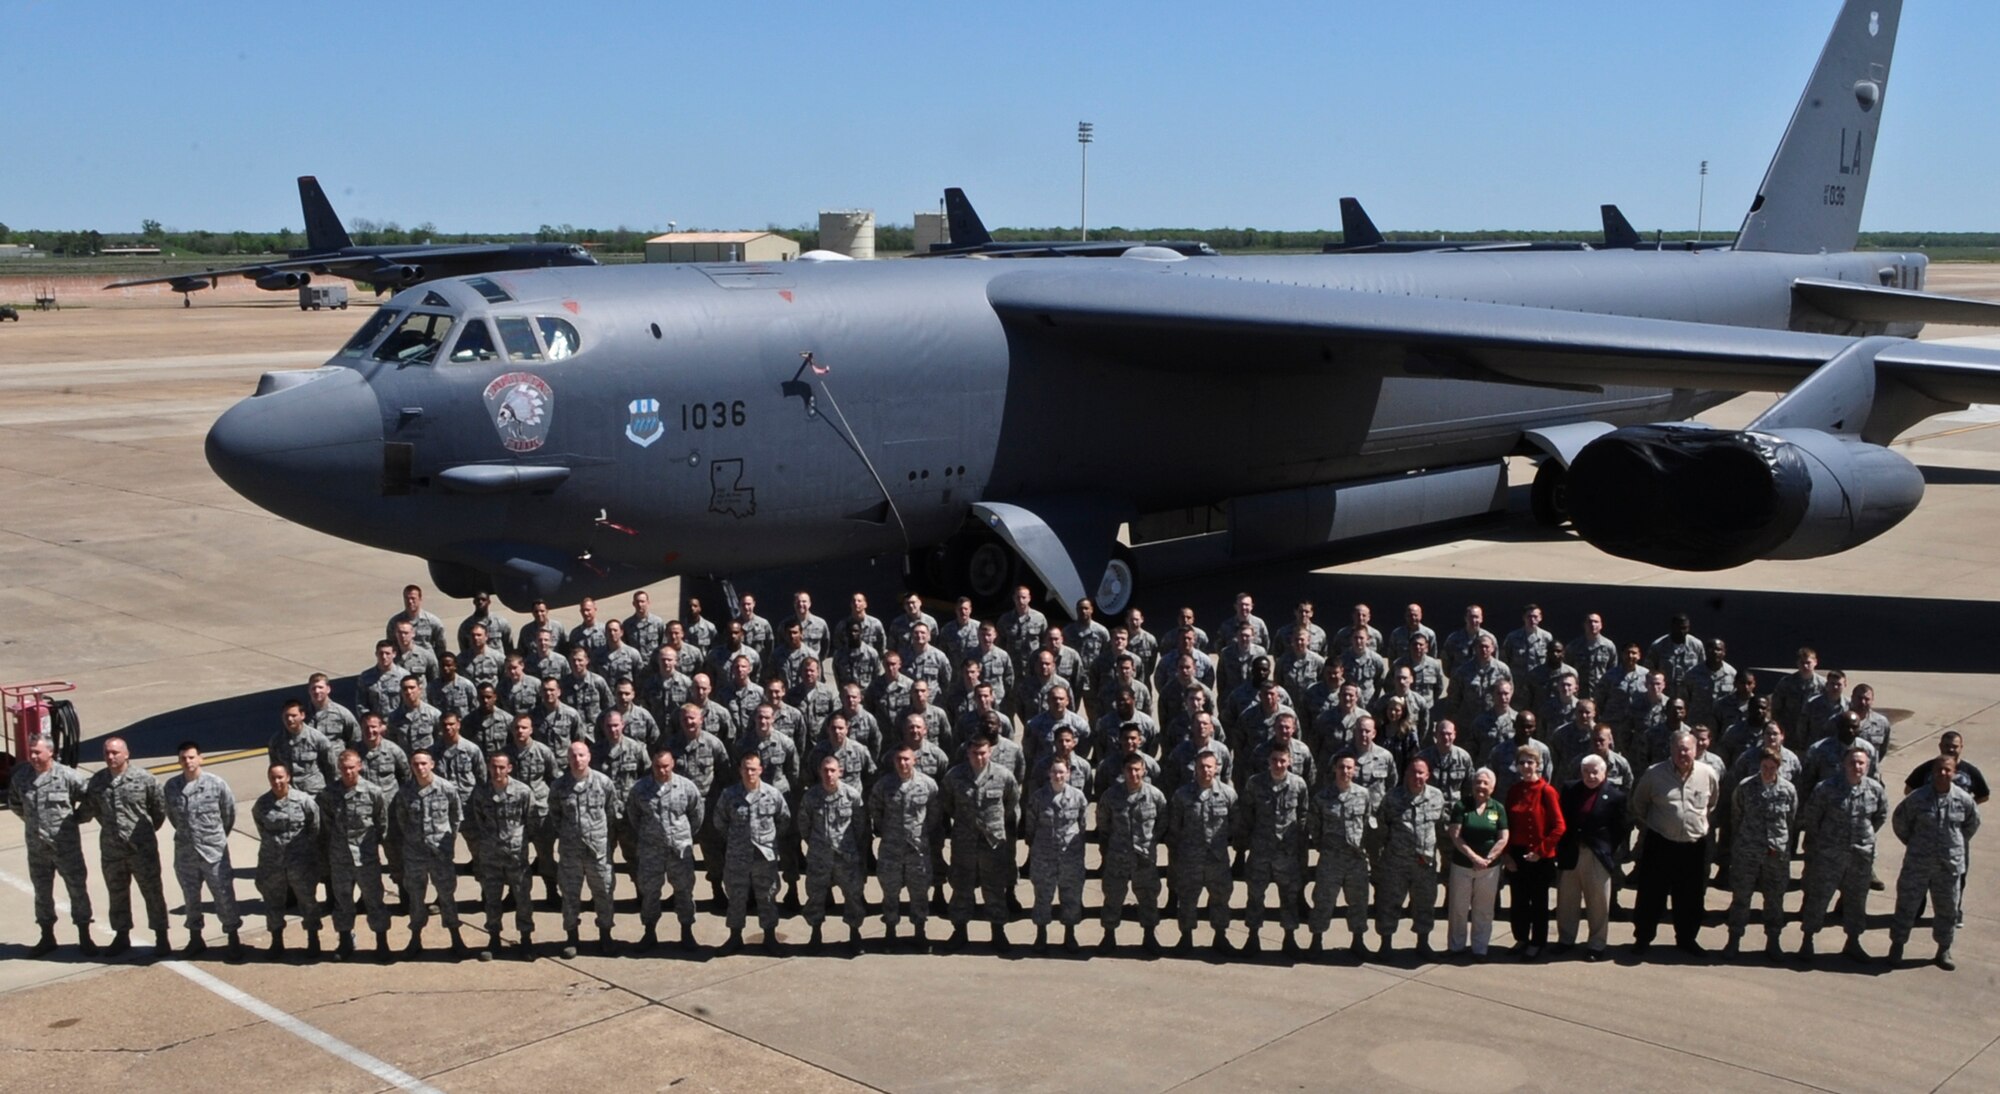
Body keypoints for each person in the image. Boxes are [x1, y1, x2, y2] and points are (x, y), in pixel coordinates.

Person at [1627, 730, 1719, 955]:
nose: (1682, 753)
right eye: (1678, 749)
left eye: (1687, 749)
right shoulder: (1654, 774)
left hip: (1693, 846)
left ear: (1696, 750)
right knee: (1651, 894)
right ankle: (1643, 938)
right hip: (1661, 843)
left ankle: (1687, 939)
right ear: (1670, 750)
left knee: (1690, 896)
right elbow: (1639, 804)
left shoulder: (1708, 774)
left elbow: (1712, 802)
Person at [1890, 756, 1981, 970]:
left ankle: (1943, 949)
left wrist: (1953, 844)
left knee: (1947, 908)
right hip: (1918, 863)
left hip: (1948, 866)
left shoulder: (1964, 799)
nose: (1943, 774)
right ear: (1932, 772)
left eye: (1947, 770)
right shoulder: (1916, 798)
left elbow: (1971, 825)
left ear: (1954, 773)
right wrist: (1914, 844)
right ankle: (1897, 946)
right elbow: (1900, 822)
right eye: (1939, 770)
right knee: (1906, 905)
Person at [1798, 746, 1888, 962]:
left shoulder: (1875, 790)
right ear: (1843, 764)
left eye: (1861, 763)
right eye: (1853, 762)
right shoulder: (1826, 788)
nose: (1857, 767)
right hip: (1829, 855)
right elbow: (1812, 818)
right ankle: (1807, 941)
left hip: (1860, 857)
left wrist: (1863, 838)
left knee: (1857, 901)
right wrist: (1825, 842)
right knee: (1819, 898)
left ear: (1867, 766)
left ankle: (1853, 942)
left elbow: (1880, 816)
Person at [9, 735, 95, 957]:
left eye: (38, 752)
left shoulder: (67, 776)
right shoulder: (22, 778)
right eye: (31, 752)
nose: (34, 756)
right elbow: (16, 803)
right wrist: (32, 823)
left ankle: (85, 935)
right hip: (37, 849)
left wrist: (77, 819)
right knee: (42, 893)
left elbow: (90, 799)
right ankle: (47, 936)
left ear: (51, 752)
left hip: (65, 847)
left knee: (77, 890)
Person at [83, 736, 168, 957]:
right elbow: (93, 809)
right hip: (112, 851)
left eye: (115, 753)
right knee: (117, 894)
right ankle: (122, 935)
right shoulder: (98, 781)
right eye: (107, 753)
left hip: (142, 850)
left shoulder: (145, 779)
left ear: (127, 754)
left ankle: (161, 936)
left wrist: (144, 834)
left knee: (152, 893)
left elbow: (158, 810)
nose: (111, 757)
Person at [163, 741, 242, 960]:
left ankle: (233, 938)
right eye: (183, 758)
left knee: (224, 896)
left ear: (200, 758)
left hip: (213, 853)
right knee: (191, 898)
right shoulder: (171, 787)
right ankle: (195, 938)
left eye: (191, 757)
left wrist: (214, 839)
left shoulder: (216, 784)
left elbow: (228, 815)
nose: (187, 761)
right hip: (186, 853)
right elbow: (172, 816)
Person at [943, 735, 1021, 949]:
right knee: (961, 886)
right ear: (968, 753)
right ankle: (959, 931)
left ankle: (998, 932)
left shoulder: (1004, 776)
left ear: (990, 752)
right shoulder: (955, 776)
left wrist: (995, 825)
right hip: (964, 842)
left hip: (993, 843)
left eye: (983, 753)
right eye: (975, 753)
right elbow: (948, 804)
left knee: (994, 887)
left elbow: (1011, 804)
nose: (979, 757)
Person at [319, 748, 392, 962]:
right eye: (344, 769)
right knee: (342, 901)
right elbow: (326, 824)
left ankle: (381, 942)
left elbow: (381, 823)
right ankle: (344, 941)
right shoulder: (329, 794)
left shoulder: (373, 792)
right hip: (340, 858)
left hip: (366, 857)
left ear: (359, 766)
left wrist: (370, 846)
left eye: (352, 767)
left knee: (374, 900)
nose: (348, 772)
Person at [1554, 754, 1627, 960]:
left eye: (1595, 771)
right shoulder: (1570, 789)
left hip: (1597, 855)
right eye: (1586, 771)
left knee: (1598, 903)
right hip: (1571, 853)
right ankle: (1566, 939)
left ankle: (1596, 944)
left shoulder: (1615, 796)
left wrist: (1606, 849)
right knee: (1567, 900)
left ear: (1604, 773)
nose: (1591, 775)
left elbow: (1620, 828)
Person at [395, 750, 466, 957]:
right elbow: (401, 819)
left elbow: (456, 816)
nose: (420, 768)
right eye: (416, 764)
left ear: (432, 764)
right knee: (416, 897)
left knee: (446, 895)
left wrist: (448, 842)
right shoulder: (405, 792)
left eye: (424, 763)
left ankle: (456, 938)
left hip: (439, 853)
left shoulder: (446, 788)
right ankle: (415, 939)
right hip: (415, 853)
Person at [719, 752, 792, 953]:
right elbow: (720, 821)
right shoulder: (729, 795)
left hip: (764, 857)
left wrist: (768, 840)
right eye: (746, 768)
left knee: (767, 897)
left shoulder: (773, 794)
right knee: (736, 897)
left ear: (761, 770)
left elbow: (783, 820)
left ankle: (770, 938)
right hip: (737, 856)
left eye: (753, 769)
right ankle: (734, 938)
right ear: (740, 770)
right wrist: (736, 841)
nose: (749, 772)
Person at [1240, 747, 1310, 954]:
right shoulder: (1255, 783)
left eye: (1282, 760)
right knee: (1255, 896)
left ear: (1289, 761)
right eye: (1274, 760)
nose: (1278, 764)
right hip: (1261, 851)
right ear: (1268, 761)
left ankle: (1290, 938)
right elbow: (1247, 814)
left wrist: (1300, 848)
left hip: (1287, 853)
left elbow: (1303, 815)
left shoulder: (1298, 785)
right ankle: (1252, 938)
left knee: (1289, 897)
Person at [1377, 757, 1448, 957]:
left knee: (1424, 904)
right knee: (1390, 903)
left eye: (1421, 773)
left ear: (1428, 775)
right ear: (1406, 775)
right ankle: (1386, 945)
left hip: (1424, 864)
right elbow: (1382, 828)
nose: (1417, 777)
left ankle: (1423, 943)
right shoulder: (1392, 798)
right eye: (1413, 772)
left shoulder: (1437, 797)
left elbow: (1441, 828)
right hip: (1396, 863)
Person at [1169, 751, 1239, 953]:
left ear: (1217, 768)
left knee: (1221, 899)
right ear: (1195, 768)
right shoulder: (1182, 795)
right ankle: (1186, 937)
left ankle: (1220, 936)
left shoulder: (1228, 794)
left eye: (1210, 766)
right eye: (1202, 766)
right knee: (1188, 899)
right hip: (1190, 859)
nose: (1206, 770)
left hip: (1217, 860)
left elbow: (1236, 825)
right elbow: (1175, 827)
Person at [1098, 750, 1168, 953]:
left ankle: (1149, 936)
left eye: (1137, 770)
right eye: (1129, 770)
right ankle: (1109, 936)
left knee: (1148, 898)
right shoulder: (1111, 796)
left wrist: (1152, 840)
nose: (1134, 774)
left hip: (1144, 858)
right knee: (1113, 897)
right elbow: (1103, 823)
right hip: (1117, 856)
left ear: (1144, 770)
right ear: (1123, 771)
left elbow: (1163, 820)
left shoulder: (1154, 796)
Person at [553, 740, 617, 957]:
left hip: (597, 851)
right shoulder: (559, 786)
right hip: (571, 852)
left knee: (603, 892)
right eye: (573, 756)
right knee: (570, 895)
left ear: (589, 756)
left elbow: (610, 813)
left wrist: (598, 836)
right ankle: (572, 937)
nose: (577, 760)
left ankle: (606, 936)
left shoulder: (603, 783)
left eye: (581, 755)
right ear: (567, 759)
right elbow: (555, 816)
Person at [469, 751, 536, 960]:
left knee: (522, 897)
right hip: (490, 854)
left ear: (509, 768)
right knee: (492, 898)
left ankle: (526, 939)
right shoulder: (481, 792)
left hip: (516, 855)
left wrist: (518, 841)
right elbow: (478, 820)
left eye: (501, 767)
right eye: (493, 767)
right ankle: (494, 938)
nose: (497, 771)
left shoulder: (523, 791)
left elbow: (531, 820)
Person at [1307, 754, 1375, 959]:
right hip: (1331, 859)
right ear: (1334, 769)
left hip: (1356, 860)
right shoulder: (1322, 797)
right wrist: (1324, 848)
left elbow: (1367, 823)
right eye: (1341, 767)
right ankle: (1316, 941)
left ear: (1354, 771)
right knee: (1323, 901)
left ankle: (1358, 941)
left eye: (1349, 768)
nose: (1345, 771)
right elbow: (1314, 828)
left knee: (1358, 902)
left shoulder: (1363, 795)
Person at [252, 761, 323, 956]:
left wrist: (304, 851)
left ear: (288, 777)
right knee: (273, 902)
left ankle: (313, 939)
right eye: (273, 778)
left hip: (300, 862)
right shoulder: (262, 804)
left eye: (280, 777)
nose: (277, 781)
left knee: (307, 900)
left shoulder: (304, 801)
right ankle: (276, 941)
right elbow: (261, 827)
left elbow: (314, 827)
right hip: (272, 863)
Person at [797, 755, 867, 952]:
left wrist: (851, 848)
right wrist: (815, 844)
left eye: (833, 770)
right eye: (825, 770)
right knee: (815, 897)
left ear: (840, 772)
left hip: (846, 857)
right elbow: (804, 824)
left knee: (853, 896)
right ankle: (815, 934)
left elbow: (860, 826)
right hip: (819, 857)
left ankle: (854, 934)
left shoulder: (852, 796)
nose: (829, 774)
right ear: (820, 772)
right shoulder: (811, 797)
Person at [1025, 757, 1090, 952]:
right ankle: (1041, 935)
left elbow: (1083, 825)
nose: (1058, 776)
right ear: (1049, 774)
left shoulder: (1078, 797)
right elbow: (1031, 825)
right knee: (1043, 896)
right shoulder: (1038, 797)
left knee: (1071, 896)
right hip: (1044, 856)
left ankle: (1069, 935)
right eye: (1055, 772)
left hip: (1070, 856)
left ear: (1068, 773)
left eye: (1062, 772)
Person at [1503, 751, 1564, 959]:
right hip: (1517, 855)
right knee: (1518, 901)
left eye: (1531, 762)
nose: (1527, 766)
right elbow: (1504, 824)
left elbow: (1559, 826)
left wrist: (1540, 851)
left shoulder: (1547, 791)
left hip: (1540, 856)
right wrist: (1506, 854)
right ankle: (1521, 938)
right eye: (1522, 763)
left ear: (1538, 765)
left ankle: (1537, 942)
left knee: (1538, 903)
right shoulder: (1513, 791)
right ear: (1517, 766)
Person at [1446, 768, 1508, 959]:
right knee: (1458, 908)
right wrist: (1474, 858)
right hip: (1462, 866)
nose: (1481, 786)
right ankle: (1456, 947)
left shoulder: (1497, 808)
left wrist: (1488, 859)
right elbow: (1456, 836)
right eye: (1477, 782)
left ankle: (1480, 949)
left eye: (1485, 783)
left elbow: (1503, 837)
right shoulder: (1462, 806)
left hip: (1489, 869)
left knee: (1484, 909)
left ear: (1493, 786)